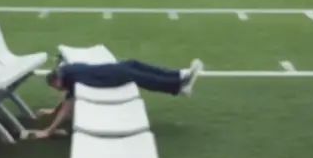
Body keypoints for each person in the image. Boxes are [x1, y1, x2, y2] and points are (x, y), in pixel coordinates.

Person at [23, 58, 204, 139]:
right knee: (139, 75)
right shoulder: (68, 72)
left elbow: (66, 105)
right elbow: (66, 103)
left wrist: (49, 130)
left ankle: (180, 76)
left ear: (57, 80)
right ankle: (178, 86)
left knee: (134, 64)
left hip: (110, 74)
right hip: (110, 73)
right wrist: (52, 116)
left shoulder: (69, 79)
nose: (58, 89)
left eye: (55, 86)